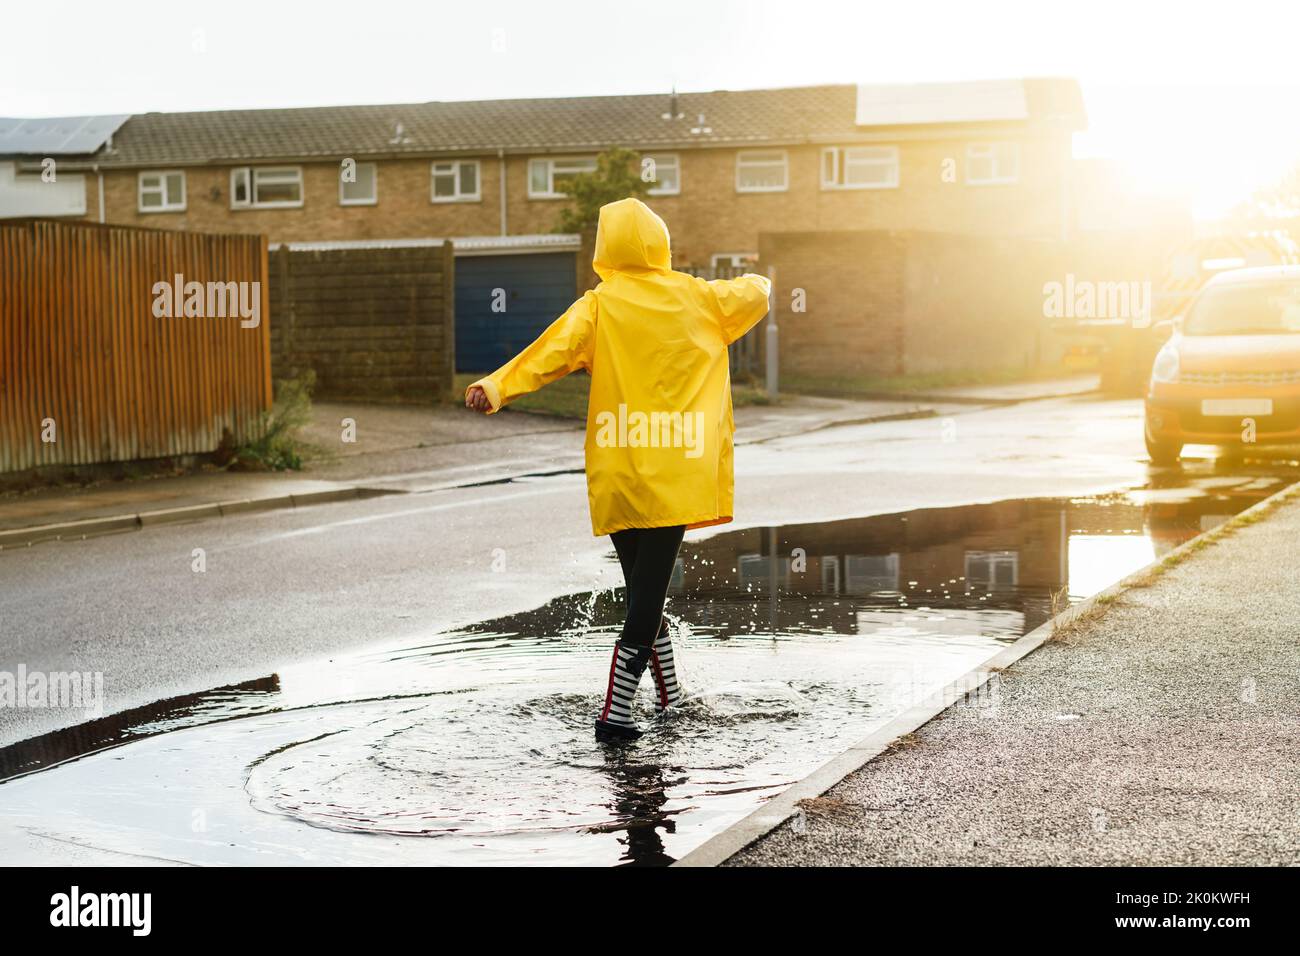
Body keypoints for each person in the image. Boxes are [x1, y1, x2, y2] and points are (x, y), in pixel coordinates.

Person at [466, 197, 770, 742]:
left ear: (607, 250)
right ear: (660, 243)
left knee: (643, 593)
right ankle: (616, 715)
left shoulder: (599, 305)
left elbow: (548, 351)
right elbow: (758, 289)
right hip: (673, 470)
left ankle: (672, 698)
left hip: (621, 470)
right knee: (648, 598)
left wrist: (495, 386)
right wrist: (731, 282)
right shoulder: (701, 298)